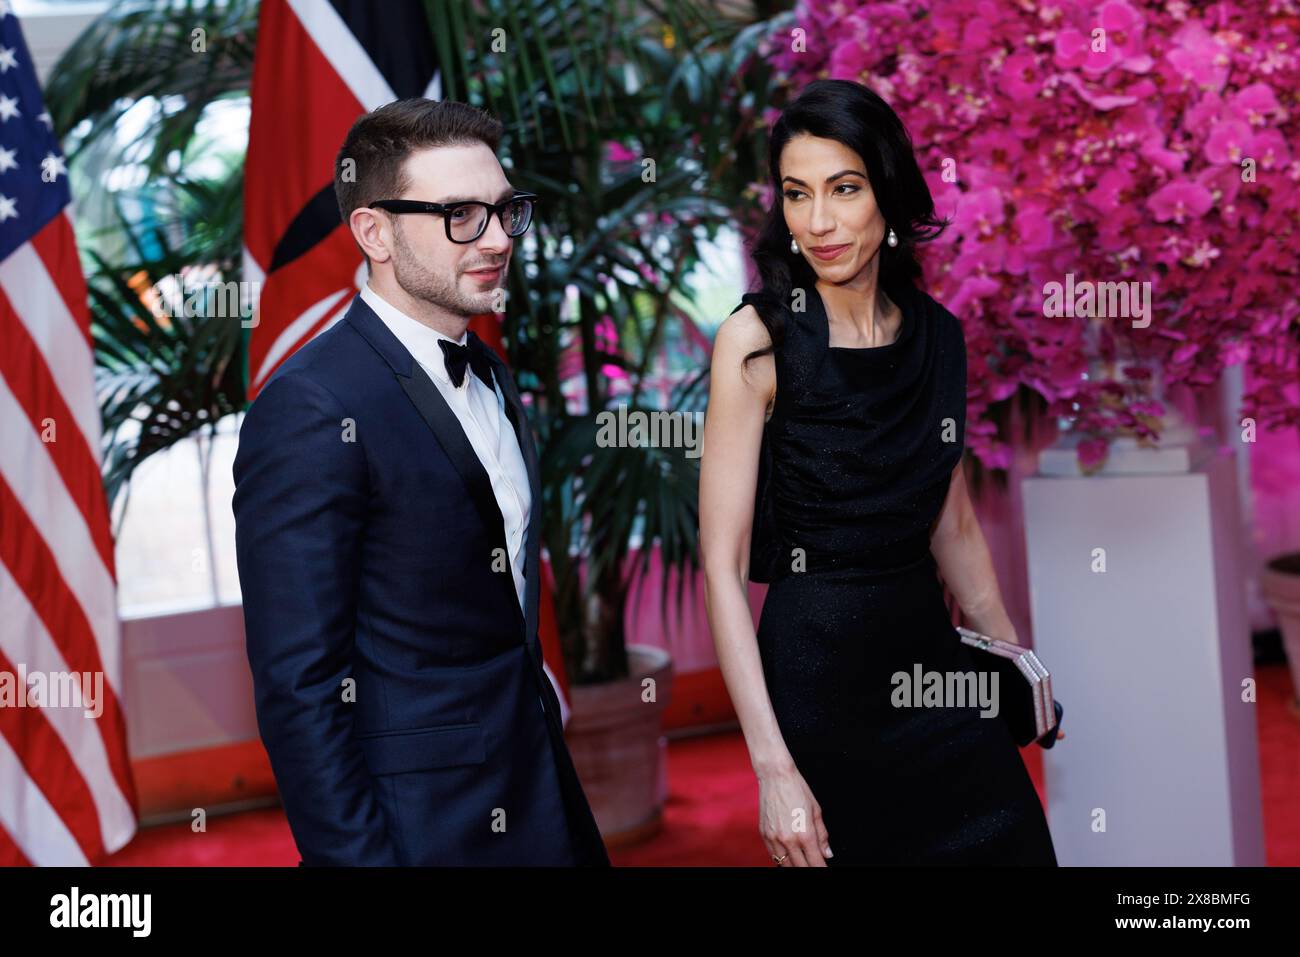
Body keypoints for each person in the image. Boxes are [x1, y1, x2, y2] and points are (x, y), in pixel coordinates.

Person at [232, 97, 609, 867]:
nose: (498, 238)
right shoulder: (311, 407)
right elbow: (301, 688)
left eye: (507, 211)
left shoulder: (492, 373)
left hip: (540, 797)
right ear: (374, 231)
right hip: (419, 832)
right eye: (461, 214)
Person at [699, 79, 1060, 867]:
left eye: (845, 189)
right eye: (798, 194)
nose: (819, 221)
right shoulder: (758, 341)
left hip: (936, 676)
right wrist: (772, 767)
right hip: (818, 689)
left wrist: (1013, 660)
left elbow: (953, 522)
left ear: (887, 192)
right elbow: (721, 569)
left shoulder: (939, 337)